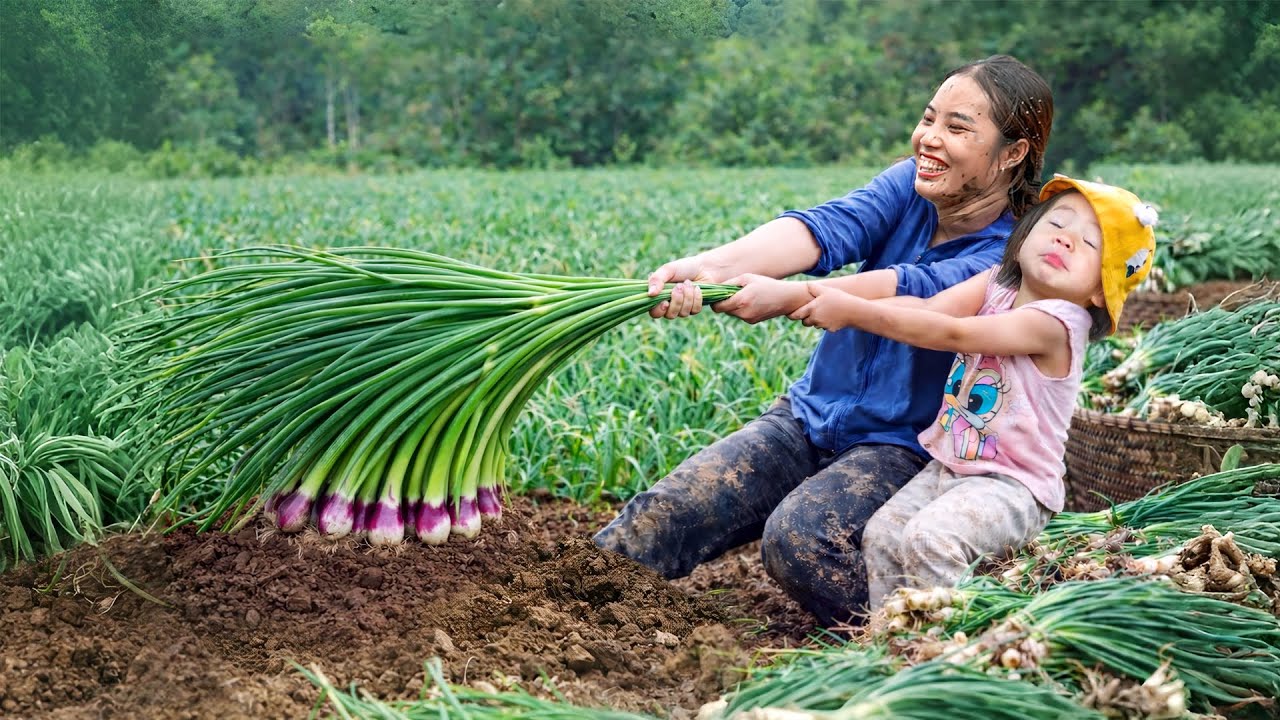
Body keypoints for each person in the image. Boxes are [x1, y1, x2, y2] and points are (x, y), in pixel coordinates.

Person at [592, 54, 1054, 626]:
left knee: (801, 540)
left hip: (905, 449)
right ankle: (543, 613)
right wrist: (711, 266)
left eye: (957, 129)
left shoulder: (1013, 254)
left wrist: (787, 297)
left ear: (1012, 154)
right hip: (810, 416)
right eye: (929, 118)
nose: (929, 139)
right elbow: (828, 226)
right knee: (659, 516)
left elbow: (913, 292)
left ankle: (924, 634)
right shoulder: (912, 186)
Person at [786, 175, 1157, 609]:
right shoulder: (997, 283)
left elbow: (954, 333)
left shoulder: (1056, 323)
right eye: (1057, 224)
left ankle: (954, 647)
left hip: (1013, 486)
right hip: (953, 466)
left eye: (1089, 244)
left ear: (1098, 291)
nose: (1066, 241)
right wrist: (822, 297)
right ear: (1024, 234)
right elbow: (927, 309)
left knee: (932, 539)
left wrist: (853, 312)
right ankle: (892, 646)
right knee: (883, 535)